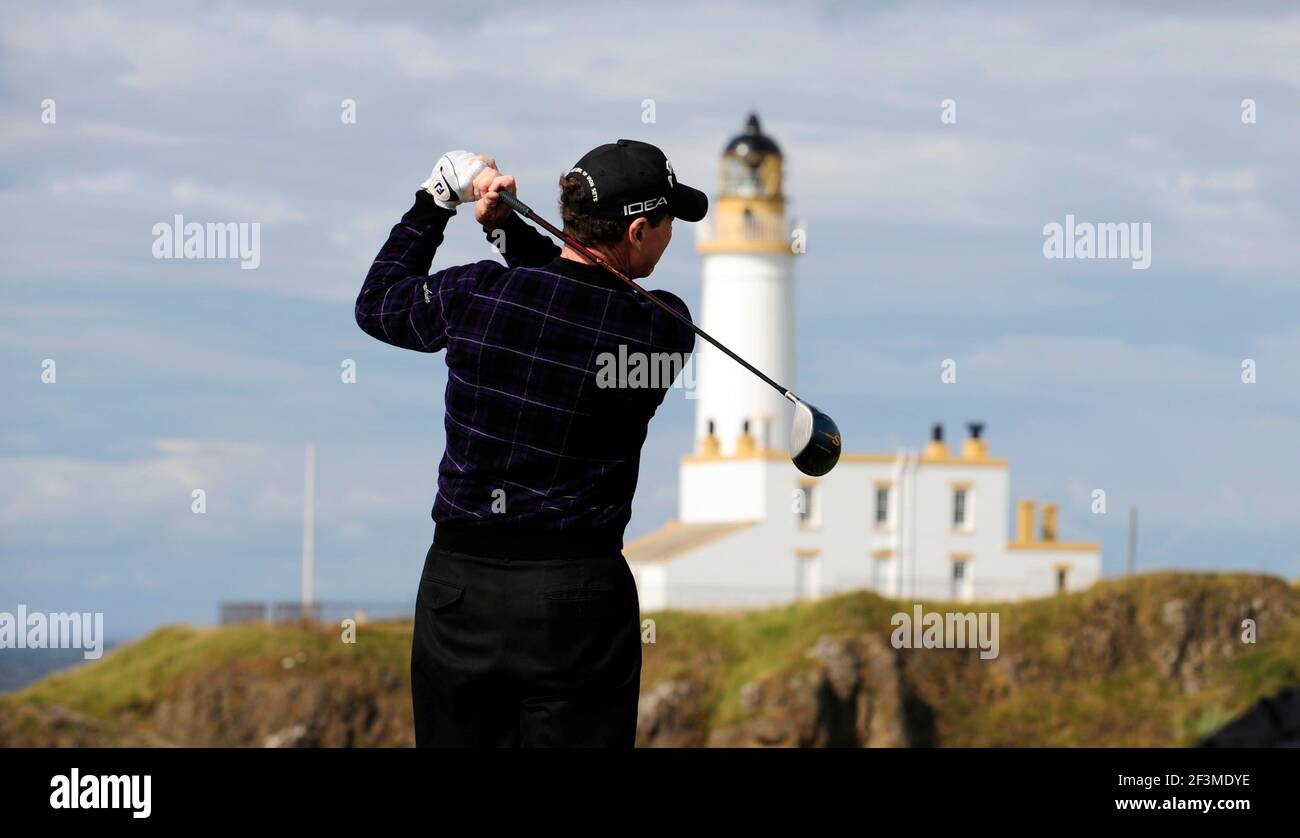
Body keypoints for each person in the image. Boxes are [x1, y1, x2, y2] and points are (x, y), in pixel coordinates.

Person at [355, 140, 708, 747]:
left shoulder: (476, 296)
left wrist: (436, 201)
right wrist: (510, 232)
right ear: (641, 229)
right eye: (670, 222)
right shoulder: (661, 328)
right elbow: (579, 300)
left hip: (457, 592)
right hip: (578, 603)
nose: (672, 234)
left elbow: (378, 303)